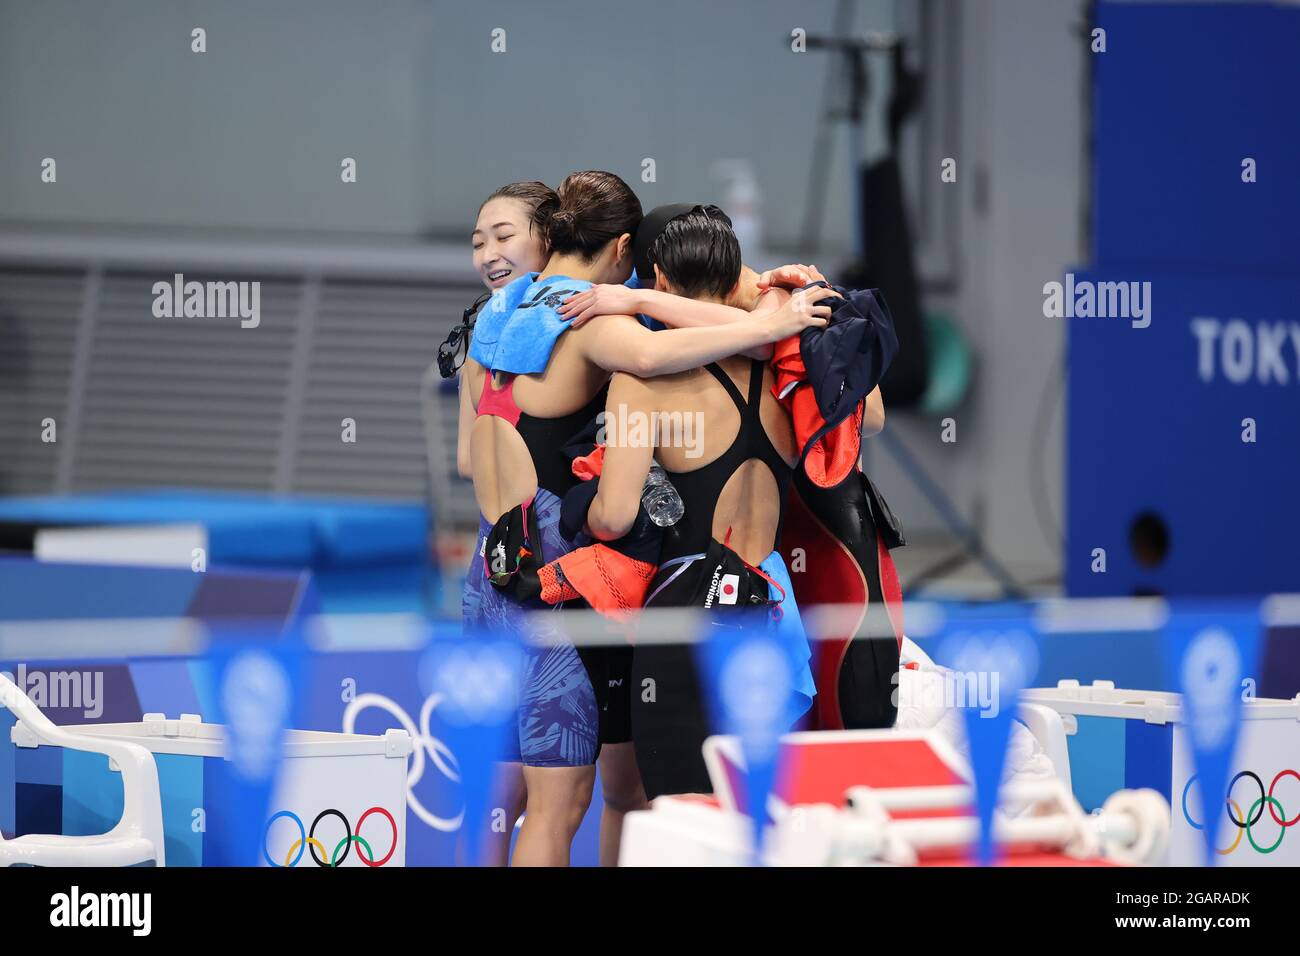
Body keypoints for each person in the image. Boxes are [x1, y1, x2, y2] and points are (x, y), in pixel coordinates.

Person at [461, 172, 835, 864]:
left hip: (489, 572)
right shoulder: (596, 320)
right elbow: (668, 347)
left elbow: (465, 456)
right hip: (555, 585)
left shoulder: (490, 317)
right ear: (624, 251)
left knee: (505, 795)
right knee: (566, 804)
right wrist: (775, 315)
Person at [576, 205, 819, 797]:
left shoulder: (642, 384)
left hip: (685, 618)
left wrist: (576, 508)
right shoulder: (790, 375)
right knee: (759, 821)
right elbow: (873, 418)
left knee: (682, 824)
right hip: (771, 608)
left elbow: (614, 516)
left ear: (657, 281)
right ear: (738, 279)